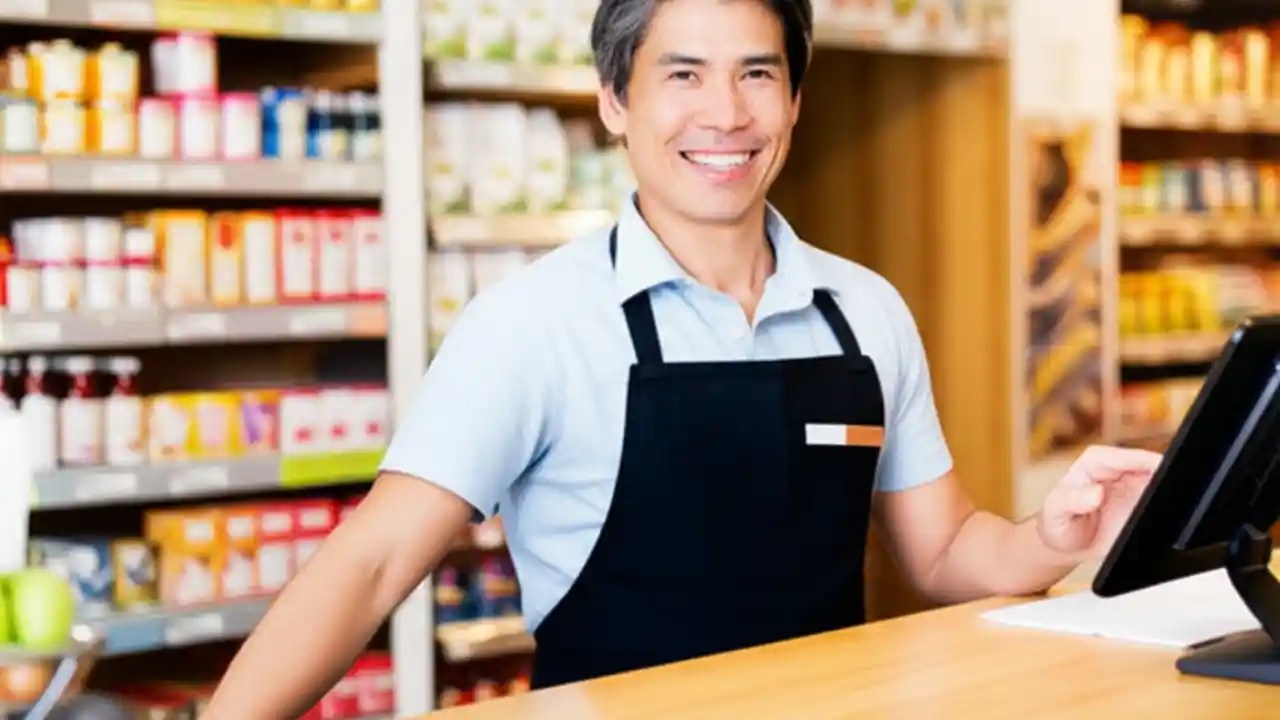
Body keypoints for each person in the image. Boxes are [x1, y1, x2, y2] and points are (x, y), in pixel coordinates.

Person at [201, 0, 1162, 715]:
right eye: (683, 74)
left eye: (756, 74)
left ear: (793, 100)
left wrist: (1056, 536)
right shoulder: (532, 324)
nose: (725, 114)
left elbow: (946, 551)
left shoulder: (864, 311)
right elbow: (368, 566)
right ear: (615, 101)